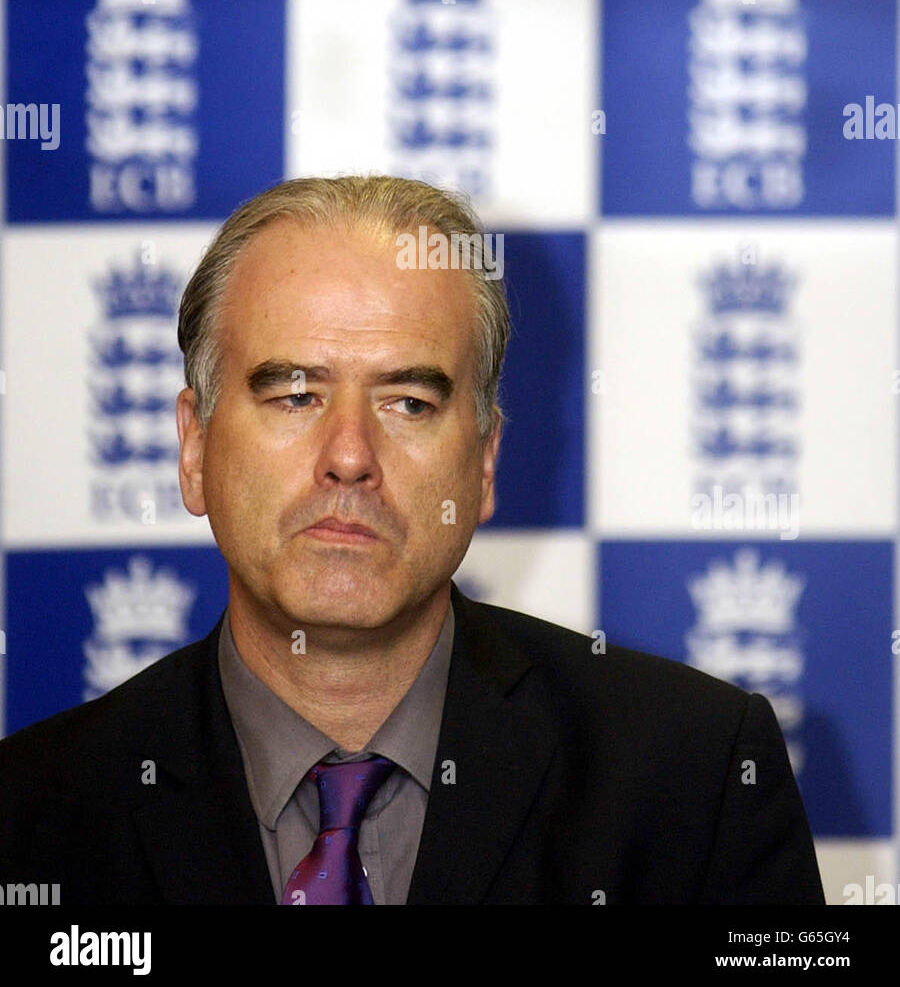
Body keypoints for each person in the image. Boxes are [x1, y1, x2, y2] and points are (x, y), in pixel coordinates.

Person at [0, 174, 824, 904]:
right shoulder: (32, 814)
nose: (350, 458)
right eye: (294, 395)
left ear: (486, 461)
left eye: (410, 404)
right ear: (193, 448)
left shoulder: (692, 782)